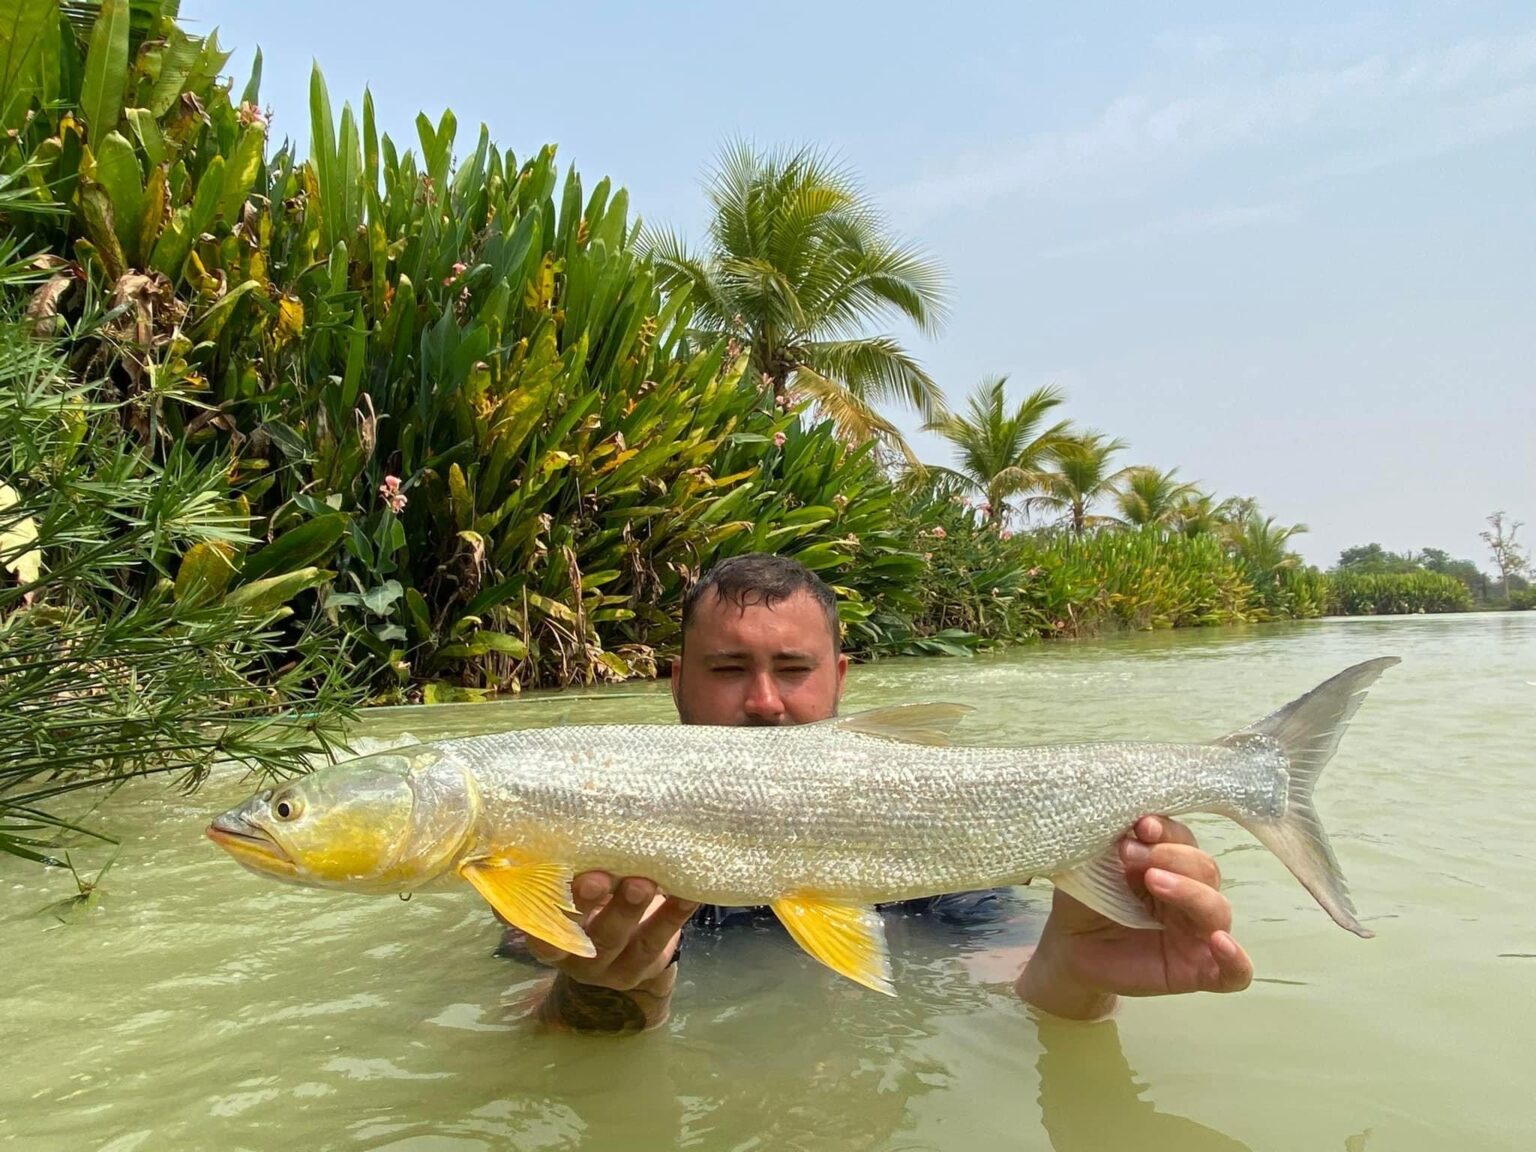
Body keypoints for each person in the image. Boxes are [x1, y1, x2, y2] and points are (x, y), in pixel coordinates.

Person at [517, 553, 1254, 1033]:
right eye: (729, 668)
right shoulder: (598, 853)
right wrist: (613, 993)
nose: (766, 701)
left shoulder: (933, 855)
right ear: (676, 684)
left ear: (841, 680)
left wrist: (1075, 976)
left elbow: (1005, 987)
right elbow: (520, 1029)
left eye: (795, 668)